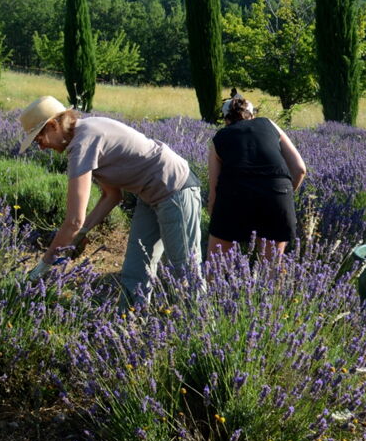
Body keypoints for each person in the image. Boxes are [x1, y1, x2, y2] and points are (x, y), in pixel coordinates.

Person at [19, 96, 202, 306]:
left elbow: (73, 221)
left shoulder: (82, 143)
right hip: (149, 195)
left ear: (52, 126)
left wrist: (43, 266)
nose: (40, 147)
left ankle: (201, 329)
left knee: (185, 271)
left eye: (38, 139)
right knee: (136, 269)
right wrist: (81, 235)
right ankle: (130, 325)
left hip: (175, 188)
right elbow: (112, 196)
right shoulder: (84, 133)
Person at [206, 90, 307, 261]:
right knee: (271, 270)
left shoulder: (220, 138)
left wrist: (216, 222)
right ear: (252, 115)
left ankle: (212, 287)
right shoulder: (268, 124)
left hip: (234, 197)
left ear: (226, 120)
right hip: (277, 194)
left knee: (215, 267)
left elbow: (214, 189)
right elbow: (300, 169)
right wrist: (284, 195)